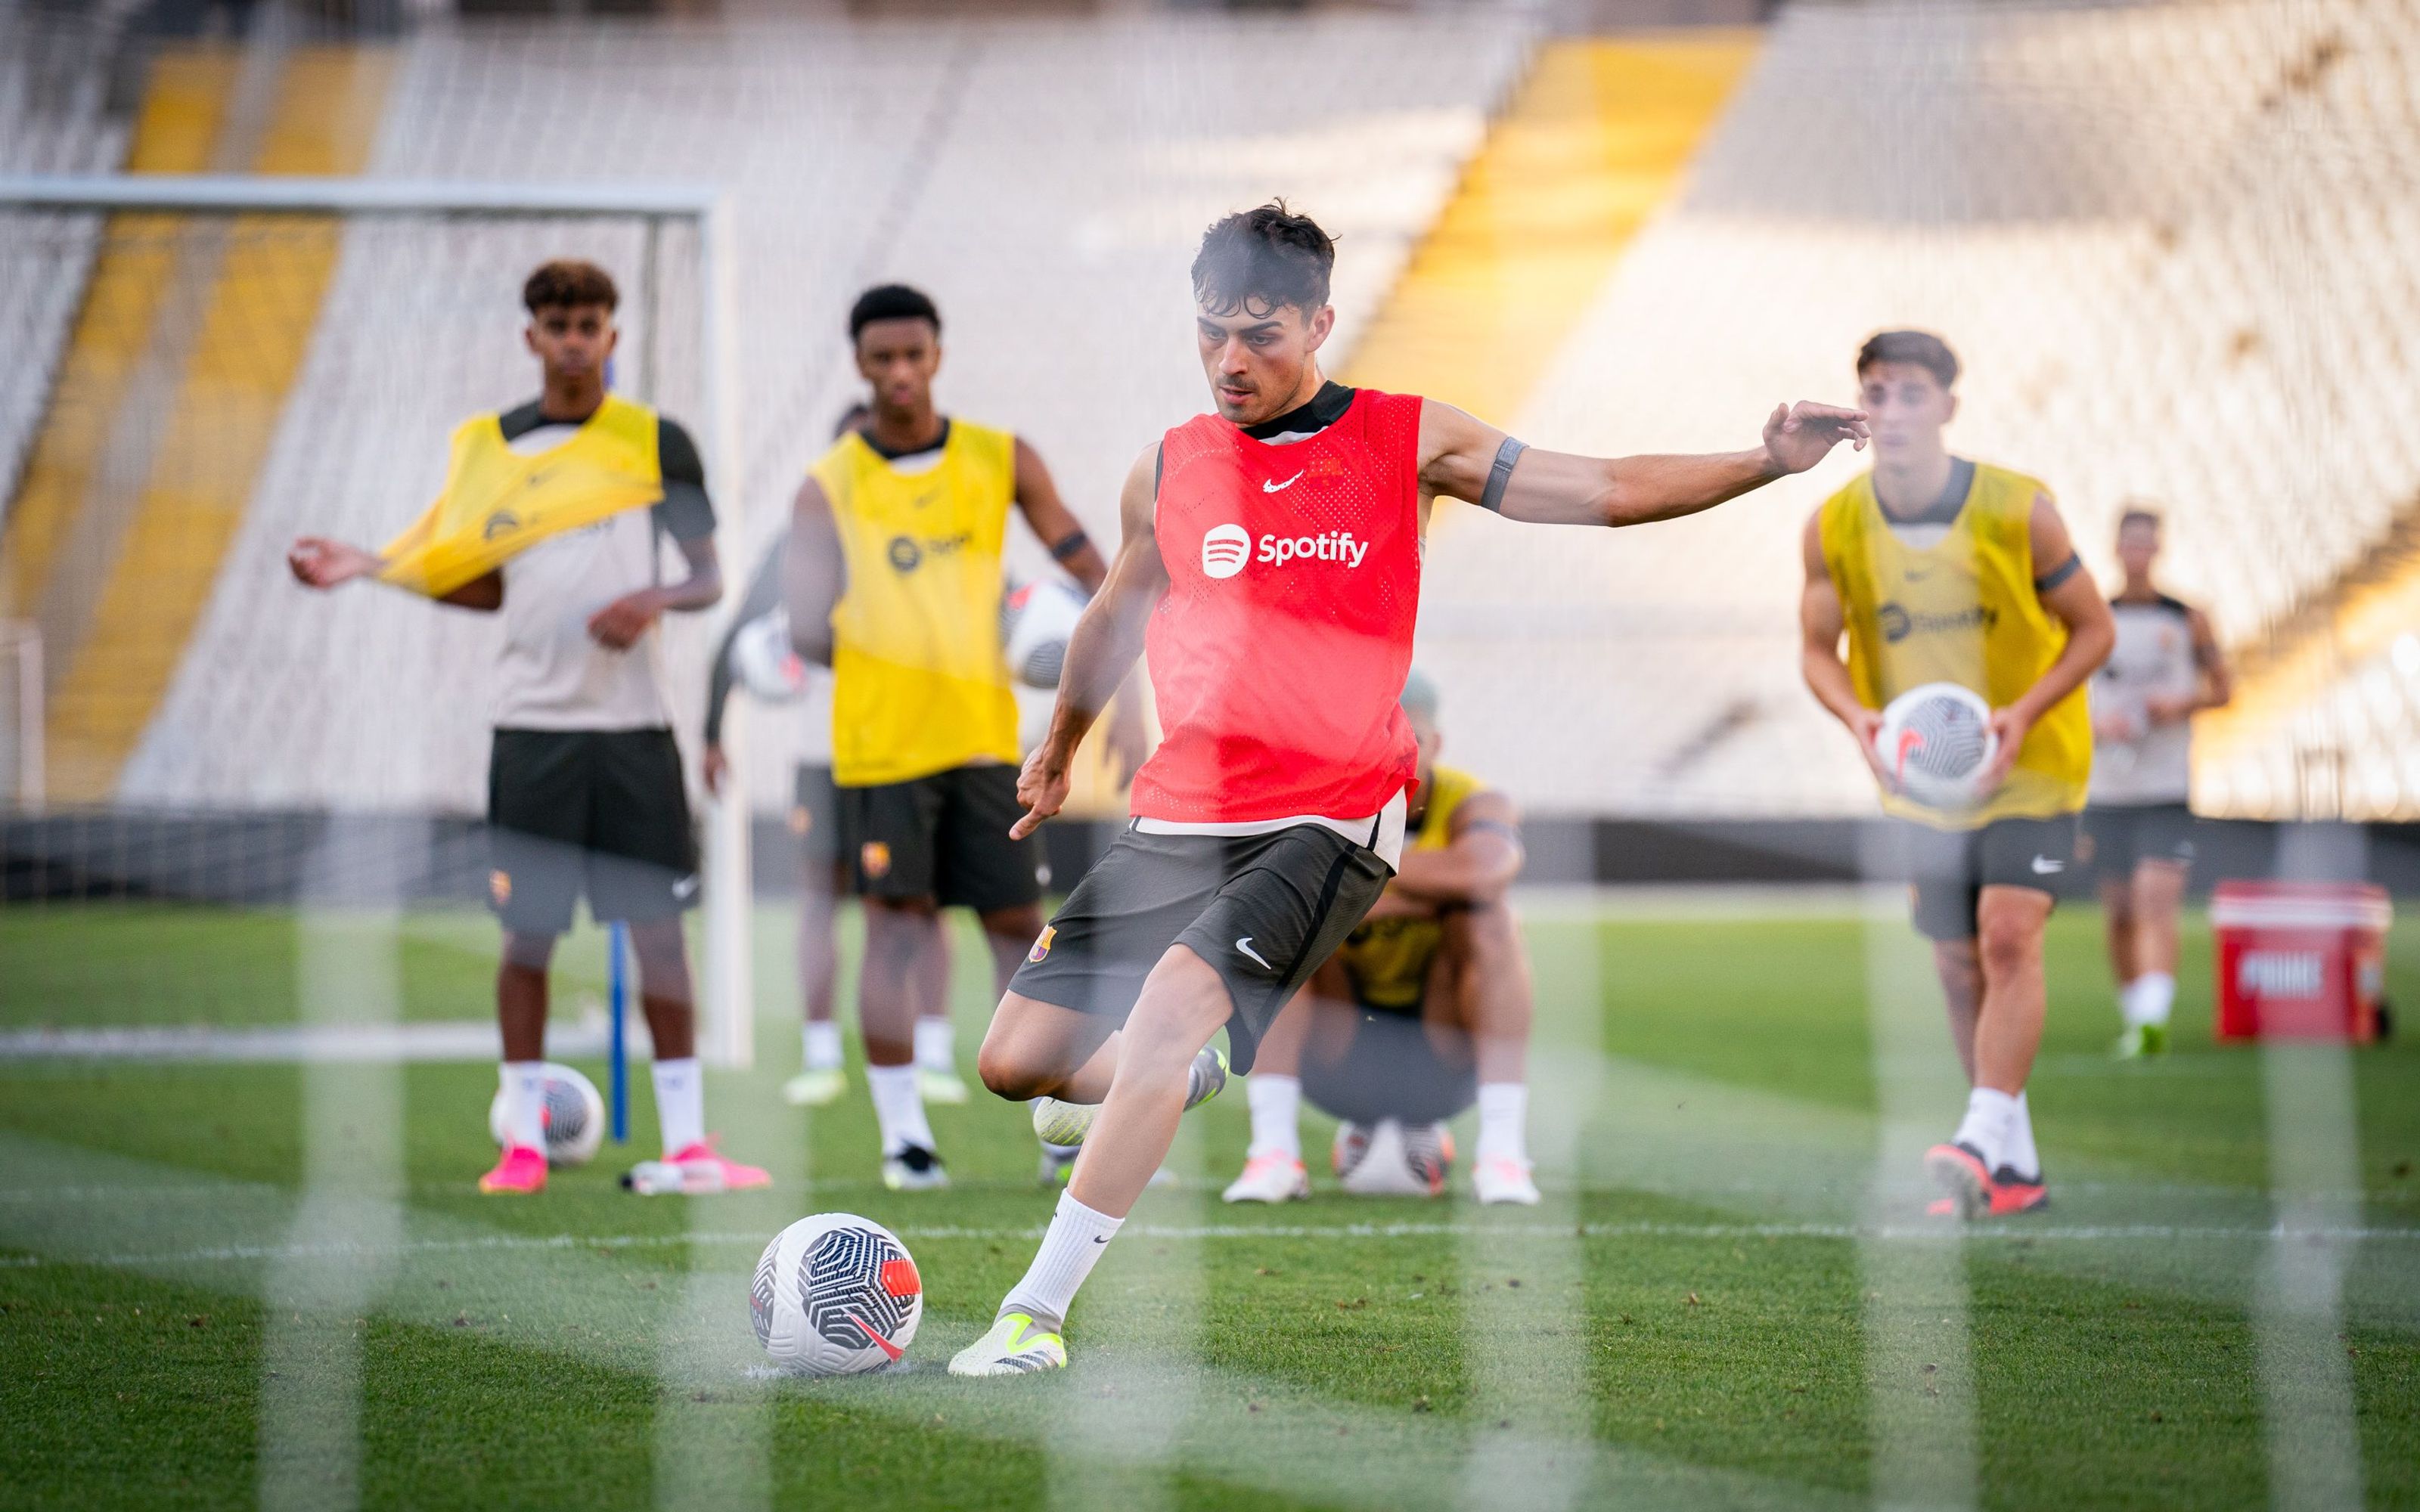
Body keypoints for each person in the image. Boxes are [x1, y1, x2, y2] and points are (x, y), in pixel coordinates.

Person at [947, 202, 1866, 1375]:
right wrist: (1063, 739)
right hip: (1181, 810)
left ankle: (1033, 1318)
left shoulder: (1405, 439)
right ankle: (1183, 1073)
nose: (1233, 360)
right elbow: (1111, 616)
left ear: (1322, 322)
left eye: (1263, 335)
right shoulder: (1171, 466)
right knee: (1016, 1061)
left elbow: (1599, 487)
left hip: (1331, 811)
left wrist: (1761, 460)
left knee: (1175, 1001)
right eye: (1213, 332)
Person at [287, 259, 768, 1196]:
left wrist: (651, 596)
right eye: (558, 323)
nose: (575, 339)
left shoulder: (657, 441)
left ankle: (684, 1143)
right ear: (531, 337)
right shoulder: (483, 448)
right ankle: (520, 1143)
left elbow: (708, 575)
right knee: (527, 938)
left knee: (660, 934)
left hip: (634, 731)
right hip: (531, 732)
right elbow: (471, 578)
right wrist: (371, 564)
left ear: (613, 336)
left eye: (590, 322)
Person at [785, 284, 1146, 1192]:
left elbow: (1107, 581)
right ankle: (906, 1137)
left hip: (988, 746)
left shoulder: (1000, 458)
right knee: (895, 932)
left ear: (937, 355)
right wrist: (898, 646)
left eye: (914, 356)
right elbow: (798, 629)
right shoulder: (828, 486)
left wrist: (1127, 700)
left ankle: (1060, 1124)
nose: (900, 374)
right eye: (882, 360)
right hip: (881, 749)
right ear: (860, 366)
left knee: (1019, 928)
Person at [1800, 329, 2113, 1221]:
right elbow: (1814, 652)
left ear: (1947, 406)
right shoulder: (1832, 525)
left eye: (1909, 393)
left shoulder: (2020, 509)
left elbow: (2094, 629)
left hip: (2032, 770)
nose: (1890, 410)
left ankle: (1975, 1135)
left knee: (2007, 935)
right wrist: (1855, 715)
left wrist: (2020, 714)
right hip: (1920, 784)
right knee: (1952, 961)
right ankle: (2012, 1165)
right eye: (1875, 393)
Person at [701, 403, 957, 1108]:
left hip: (913, 754)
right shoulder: (798, 542)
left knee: (918, 906)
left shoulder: (933, 530)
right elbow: (739, 633)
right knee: (820, 902)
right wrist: (710, 731)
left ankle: (932, 1053)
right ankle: (820, 1054)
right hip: (824, 755)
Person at [1221, 668, 1537, 1206]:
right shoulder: (1317, 799)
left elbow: (1484, 871)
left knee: (1487, 918)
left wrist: (1350, 883)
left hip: (1445, 1049)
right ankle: (1273, 1152)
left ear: (1434, 743)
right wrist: (1430, 893)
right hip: (1337, 1051)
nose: (1393, 755)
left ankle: (1502, 1153)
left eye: (1406, 738)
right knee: (1287, 919)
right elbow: (1279, 884)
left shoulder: (1474, 801)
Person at [2086, 505, 2229, 1058]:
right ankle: (2134, 1012)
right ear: (2117, 548)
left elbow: (2224, 688)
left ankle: (2154, 1018)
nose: (2139, 552)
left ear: (2158, 549)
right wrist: (2098, 724)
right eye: (2130, 542)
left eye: (2148, 542)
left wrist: (2181, 702)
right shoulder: (2094, 615)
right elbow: (2065, 691)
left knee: (2156, 900)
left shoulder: (2187, 618)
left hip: (2165, 785)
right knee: (2119, 909)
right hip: (2107, 788)